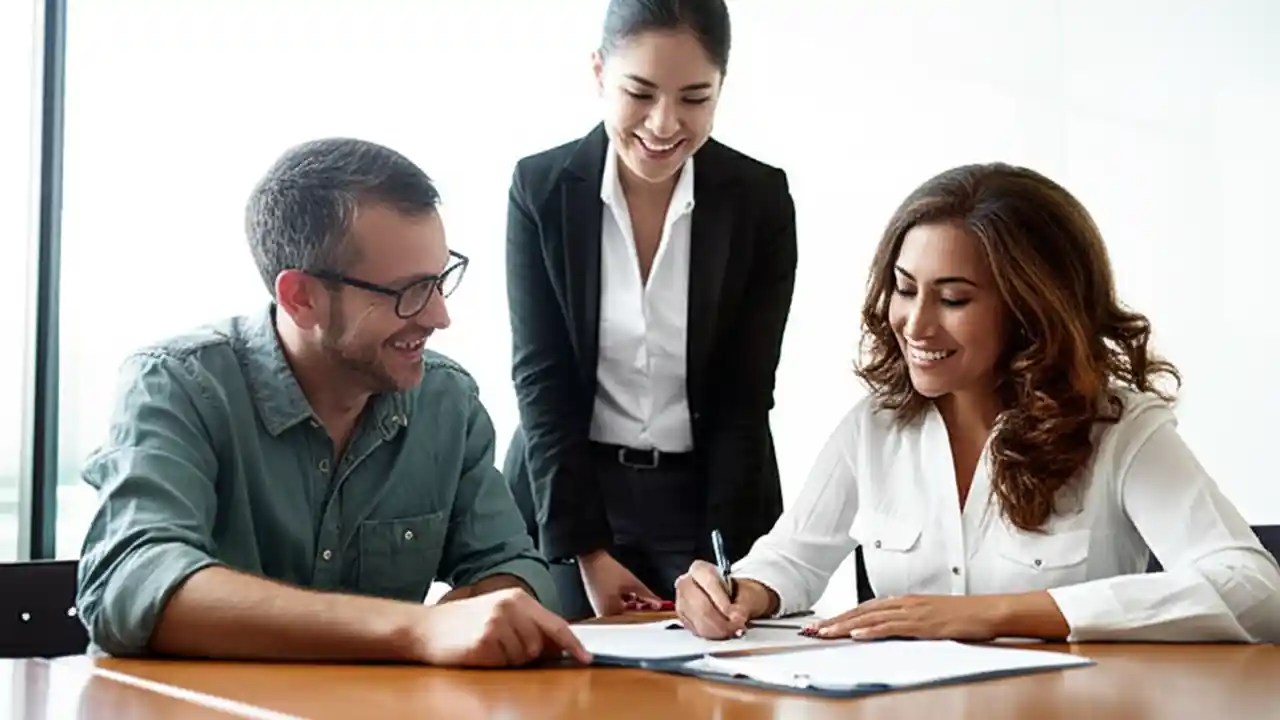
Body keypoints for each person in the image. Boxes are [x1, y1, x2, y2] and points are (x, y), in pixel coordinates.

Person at [674, 162, 1280, 643]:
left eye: (954, 299)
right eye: (905, 289)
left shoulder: (1119, 430)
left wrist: (998, 615)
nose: (914, 323)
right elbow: (794, 558)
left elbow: (1254, 590)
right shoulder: (875, 427)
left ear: (1029, 308)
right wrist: (741, 591)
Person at [75, 138, 591, 667]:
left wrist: (481, 614)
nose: (439, 316)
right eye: (407, 292)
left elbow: (517, 570)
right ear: (301, 298)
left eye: (439, 281)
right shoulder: (176, 385)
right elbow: (130, 584)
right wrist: (415, 630)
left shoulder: (446, 401)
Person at [504, 0, 798, 620]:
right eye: (639, 93)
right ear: (598, 74)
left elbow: (746, 394)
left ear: (722, 88)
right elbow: (541, 381)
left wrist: (720, 561)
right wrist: (587, 550)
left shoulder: (758, 201)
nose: (664, 124)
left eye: (695, 99)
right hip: (572, 496)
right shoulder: (540, 189)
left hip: (707, 498)